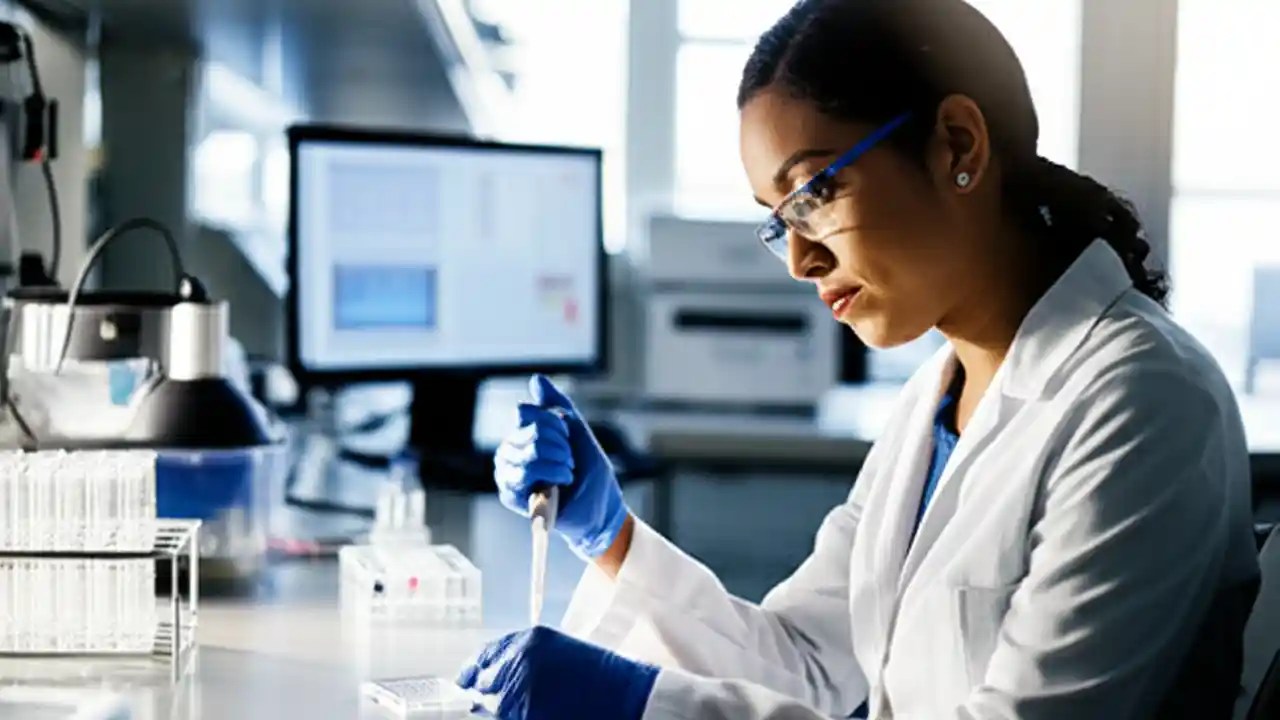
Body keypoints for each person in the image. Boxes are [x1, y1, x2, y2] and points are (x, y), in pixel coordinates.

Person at [456, 0, 1260, 717]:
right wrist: (609, 535)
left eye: (813, 193)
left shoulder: (1146, 401)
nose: (799, 259)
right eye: (777, 221)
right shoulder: (936, 399)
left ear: (956, 145)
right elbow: (808, 666)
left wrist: (638, 705)